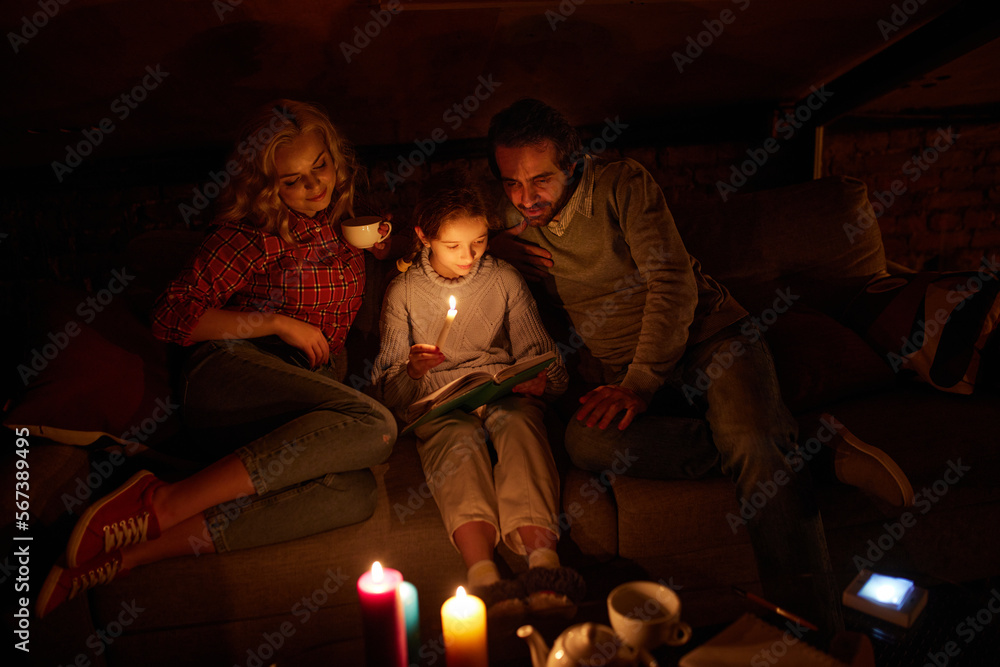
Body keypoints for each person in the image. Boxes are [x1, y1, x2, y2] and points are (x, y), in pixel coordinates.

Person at [485, 98, 914, 640]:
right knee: (585, 441)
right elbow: (427, 238)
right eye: (512, 183)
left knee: (754, 445)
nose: (526, 198)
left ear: (573, 164)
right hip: (626, 371)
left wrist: (639, 383)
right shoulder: (514, 216)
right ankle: (809, 444)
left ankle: (812, 640)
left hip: (710, 339)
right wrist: (493, 246)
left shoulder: (622, 184)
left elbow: (672, 282)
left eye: (540, 180)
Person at [37, 100, 397, 618]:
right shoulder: (248, 235)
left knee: (356, 492)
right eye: (292, 180)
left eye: (320, 166)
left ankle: (123, 557)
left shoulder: (338, 222)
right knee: (376, 426)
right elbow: (170, 315)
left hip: (291, 399)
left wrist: (379, 249)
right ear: (267, 185)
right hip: (231, 374)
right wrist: (277, 323)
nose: (314, 185)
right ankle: (162, 501)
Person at [369, 170, 584, 618]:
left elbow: (546, 359)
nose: (469, 257)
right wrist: (411, 370)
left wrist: (543, 381)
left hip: (501, 391)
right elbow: (387, 391)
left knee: (519, 423)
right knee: (457, 438)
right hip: (440, 403)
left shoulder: (503, 279)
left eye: (480, 242)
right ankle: (484, 576)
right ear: (424, 236)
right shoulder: (403, 292)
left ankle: (545, 567)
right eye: (453, 246)